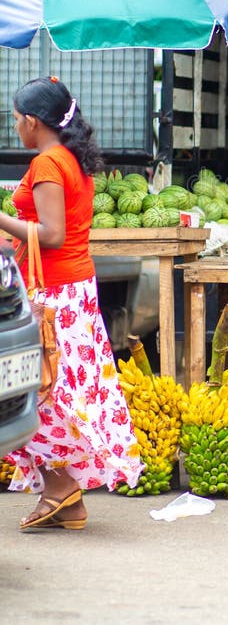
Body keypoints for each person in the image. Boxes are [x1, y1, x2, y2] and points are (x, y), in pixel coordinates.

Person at [0, 76, 142, 530]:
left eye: (17, 118)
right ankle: (64, 497)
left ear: (34, 121)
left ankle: (61, 490)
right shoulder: (71, 158)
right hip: (71, 289)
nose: (14, 126)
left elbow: (53, 235)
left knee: (35, 393)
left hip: (54, 293)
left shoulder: (47, 164)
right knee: (53, 392)